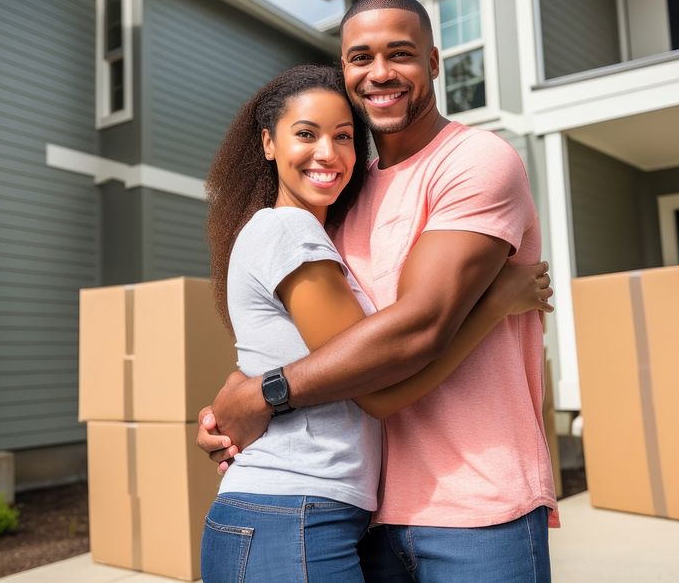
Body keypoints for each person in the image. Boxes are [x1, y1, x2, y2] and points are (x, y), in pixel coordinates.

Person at [199, 64, 553, 582]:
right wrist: (493, 306)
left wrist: (244, 396)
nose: (328, 153)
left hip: (306, 514)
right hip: (290, 511)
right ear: (268, 144)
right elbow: (380, 388)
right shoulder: (290, 231)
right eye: (305, 134)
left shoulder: (313, 233)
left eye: (343, 136)